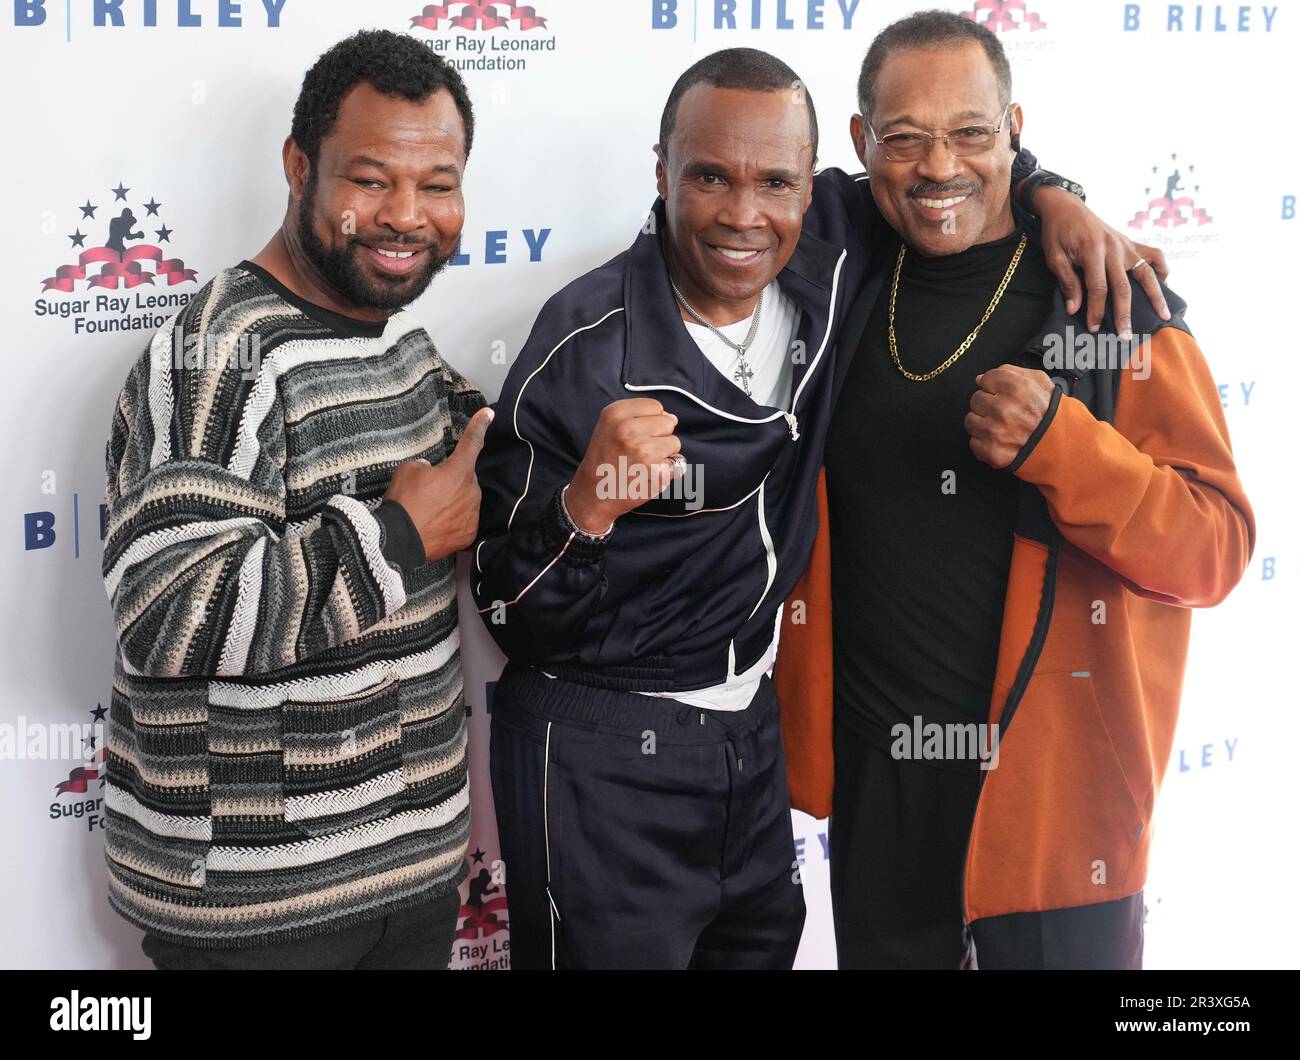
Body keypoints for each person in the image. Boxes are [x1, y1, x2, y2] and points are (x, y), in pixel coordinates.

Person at [471, 46, 1157, 969]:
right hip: (599, 749)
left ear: (816, 181)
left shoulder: (832, 251)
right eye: (708, 177)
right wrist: (586, 508)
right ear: (662, 171)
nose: (744, 214)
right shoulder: (583, 343)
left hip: (754, 745)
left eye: (776, 182)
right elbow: (506, 604)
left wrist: (1052, 195)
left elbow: (944, 167)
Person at [773, 10, 1255, 969]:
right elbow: (734, 194)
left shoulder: (1115, 302)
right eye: (903, 138)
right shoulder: (846, 269)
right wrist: (1048, 187)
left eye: (972, 134)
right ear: (864, 143)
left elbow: (1217, 549)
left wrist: (1063, 448)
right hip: (884, 795)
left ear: (1014, 130)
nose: (938, 166)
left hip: (1057, 813)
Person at [100, 30, 490, 970]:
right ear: (299, 167)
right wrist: (398, 537)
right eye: (370, 179)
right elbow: (168, 615)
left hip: (415, 881)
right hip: (258, 918)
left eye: (438, 184)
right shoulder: (219, 354)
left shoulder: (406, 354)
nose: (406, 215)